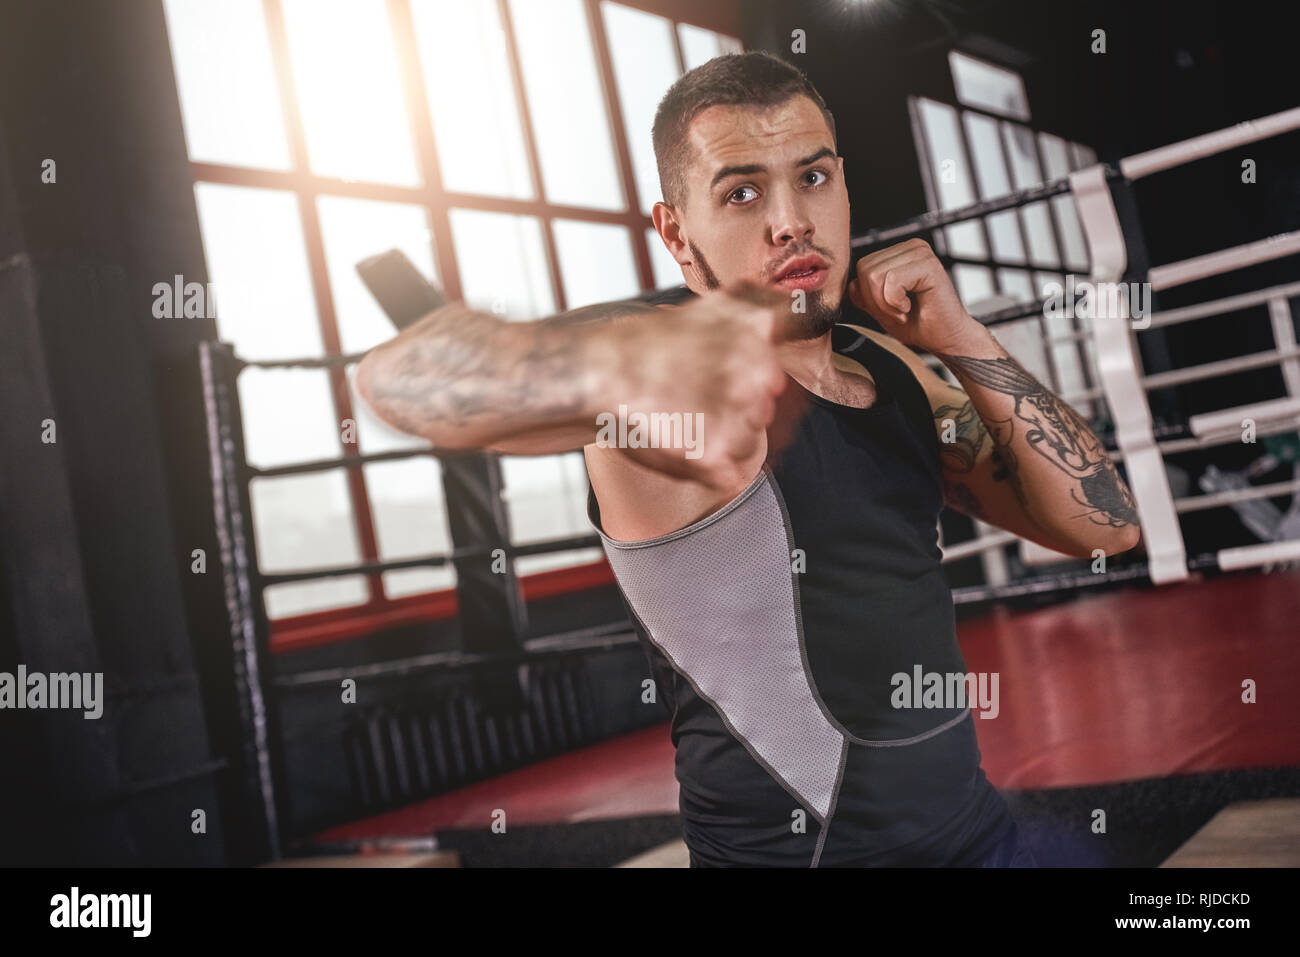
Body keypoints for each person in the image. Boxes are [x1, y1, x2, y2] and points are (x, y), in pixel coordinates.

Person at [356, 51, 1140, 867]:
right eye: (742, 193)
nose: (791, 221)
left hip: (980, 836)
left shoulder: (889, 367)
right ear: (678, 236)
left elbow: (1105, 526)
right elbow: (411, 376)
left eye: (814, 178)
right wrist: (616, 374)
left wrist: (961, 337)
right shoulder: (660, 361)